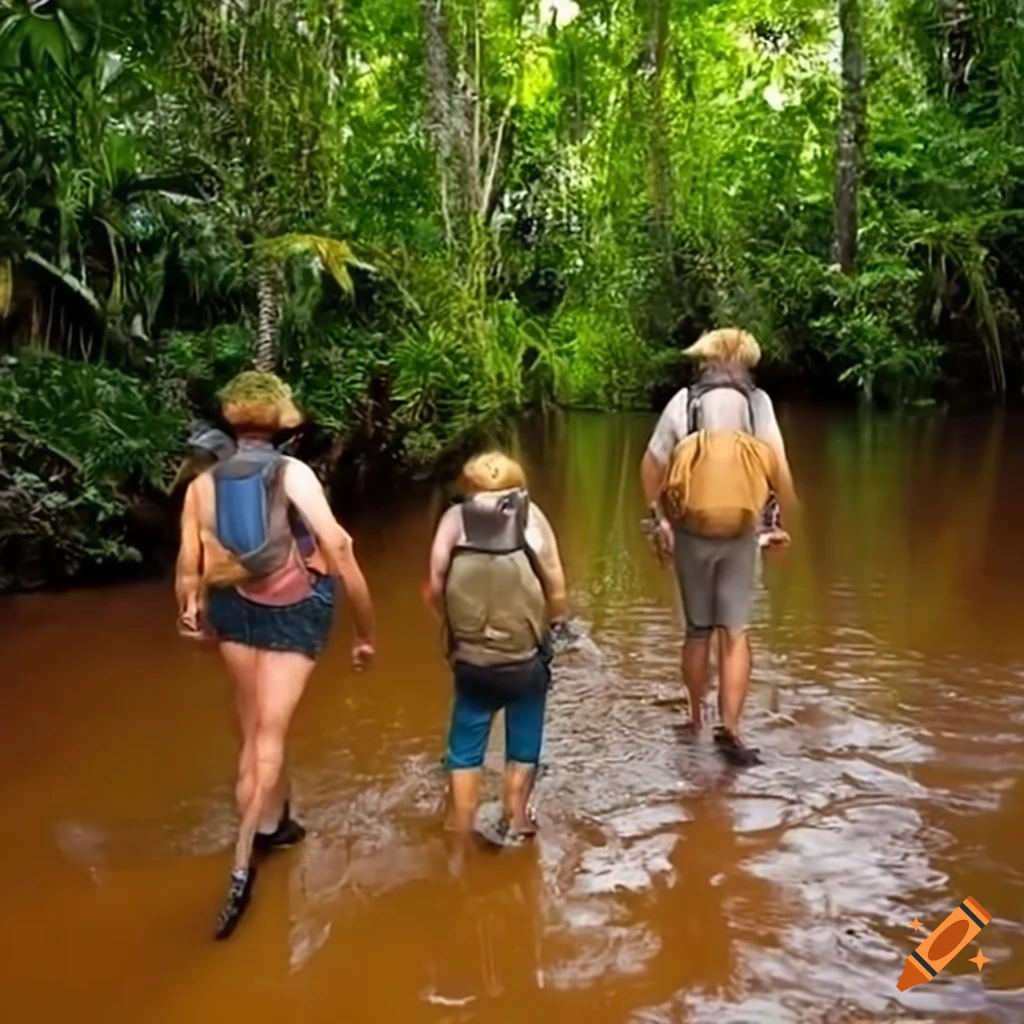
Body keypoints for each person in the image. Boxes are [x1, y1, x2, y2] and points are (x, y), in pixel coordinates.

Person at [175, 370, 376, 939]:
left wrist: (189, 610)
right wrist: (365, 629)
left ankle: (275, 822)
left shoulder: (203, 485)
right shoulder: (293, 473)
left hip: (232, 610)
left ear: (232, 420)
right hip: (294, 610)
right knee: (268, 734)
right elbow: (337, 547)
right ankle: (244, 865)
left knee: (254, 725)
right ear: (282, 421)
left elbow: (189, 566)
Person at [639, 328, 798, 766]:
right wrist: (781, 522)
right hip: (742, 534)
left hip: (691, 532)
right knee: (736, 632)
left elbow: (651, 468)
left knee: (697, 631)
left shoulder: (684, 402)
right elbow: (778, 468)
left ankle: (694, 720)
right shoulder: (757, 403)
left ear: (703, 360)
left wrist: (661, 520)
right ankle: (731, 729)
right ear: (748, 362)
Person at [424, 452, 569, 859]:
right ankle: (517, 816)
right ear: (517, 487)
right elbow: (555, 582)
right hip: (524, 658)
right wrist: (555, 624)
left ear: (470, 487)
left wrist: (452, 625)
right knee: (524, 738)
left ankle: (460, 829)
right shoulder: (532, 517)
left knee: (465, 746)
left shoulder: (455, 519)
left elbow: (434, 584)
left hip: (472, 660)